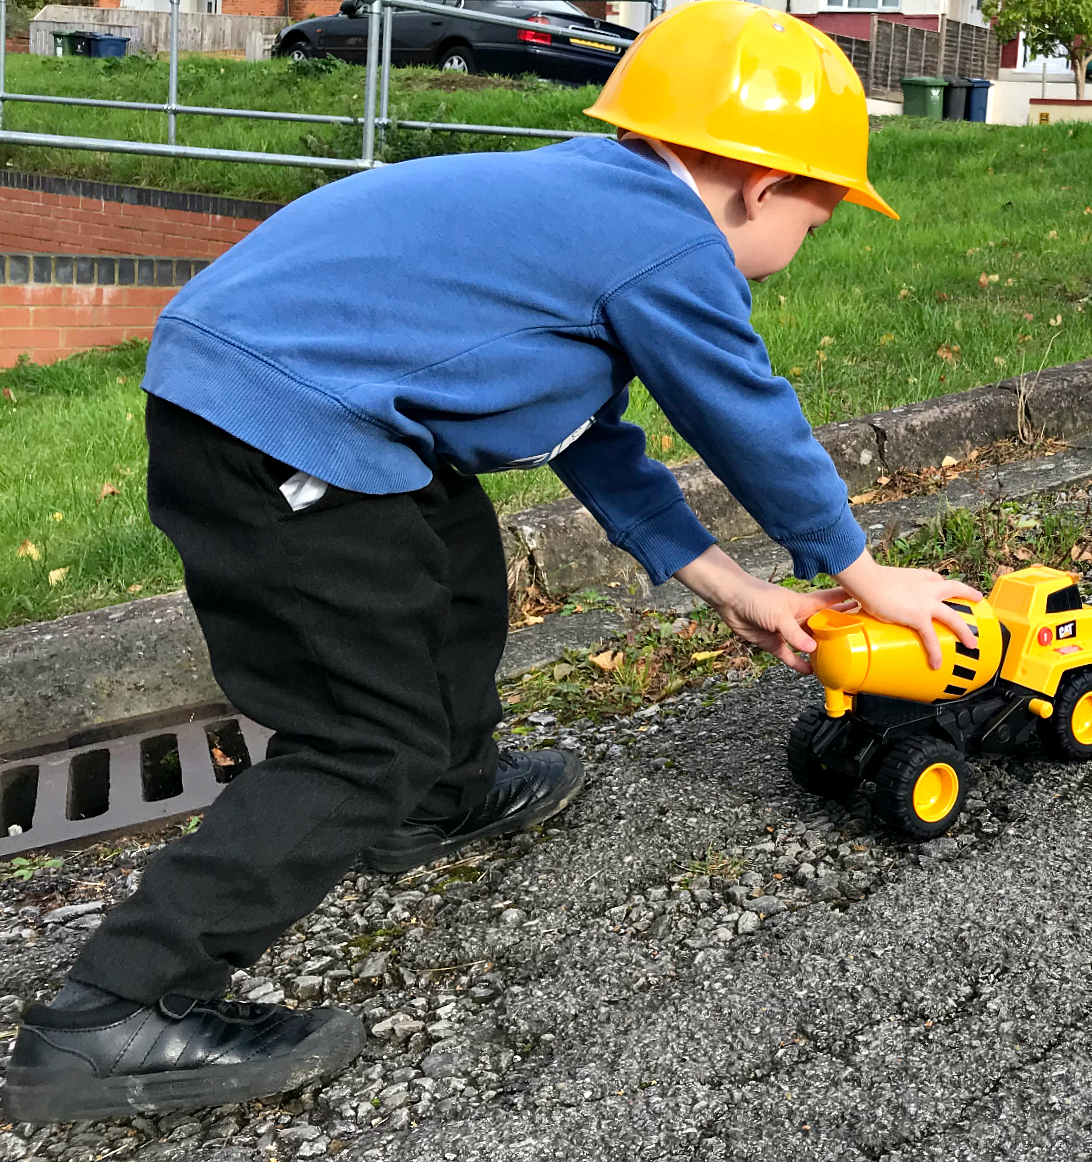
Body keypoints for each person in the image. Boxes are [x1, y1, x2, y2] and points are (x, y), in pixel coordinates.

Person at [5, 0, 982, 1125]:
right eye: (819, 217)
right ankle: (113, 1012)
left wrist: (739, 589)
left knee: (458, 566)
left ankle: (438, 801)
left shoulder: (593, 208)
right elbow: (750, 418)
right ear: (762, 188)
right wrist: (863, 573)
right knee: (363, 734)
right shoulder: (668, 239)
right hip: (278, 429)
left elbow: (589, 439)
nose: (802, 245)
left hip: (322, 415)